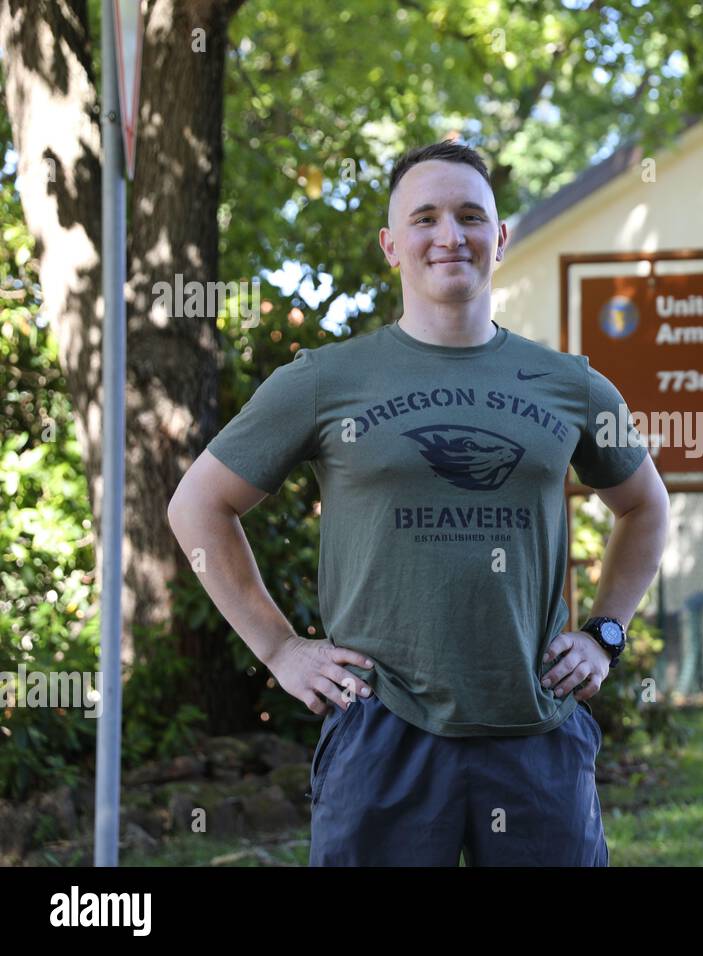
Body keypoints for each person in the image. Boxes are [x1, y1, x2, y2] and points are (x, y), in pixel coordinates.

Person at [167, 139, 670, 866]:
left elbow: (645, 508)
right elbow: (199, 506)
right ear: (391, 243)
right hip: (381, 727)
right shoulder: (323, 379)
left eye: (471, 216)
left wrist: (605, 636)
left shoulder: (574, 385)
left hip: (535, 728)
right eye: (425, 217)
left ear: (499, 237)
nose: (449, 235)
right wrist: (279, 649)